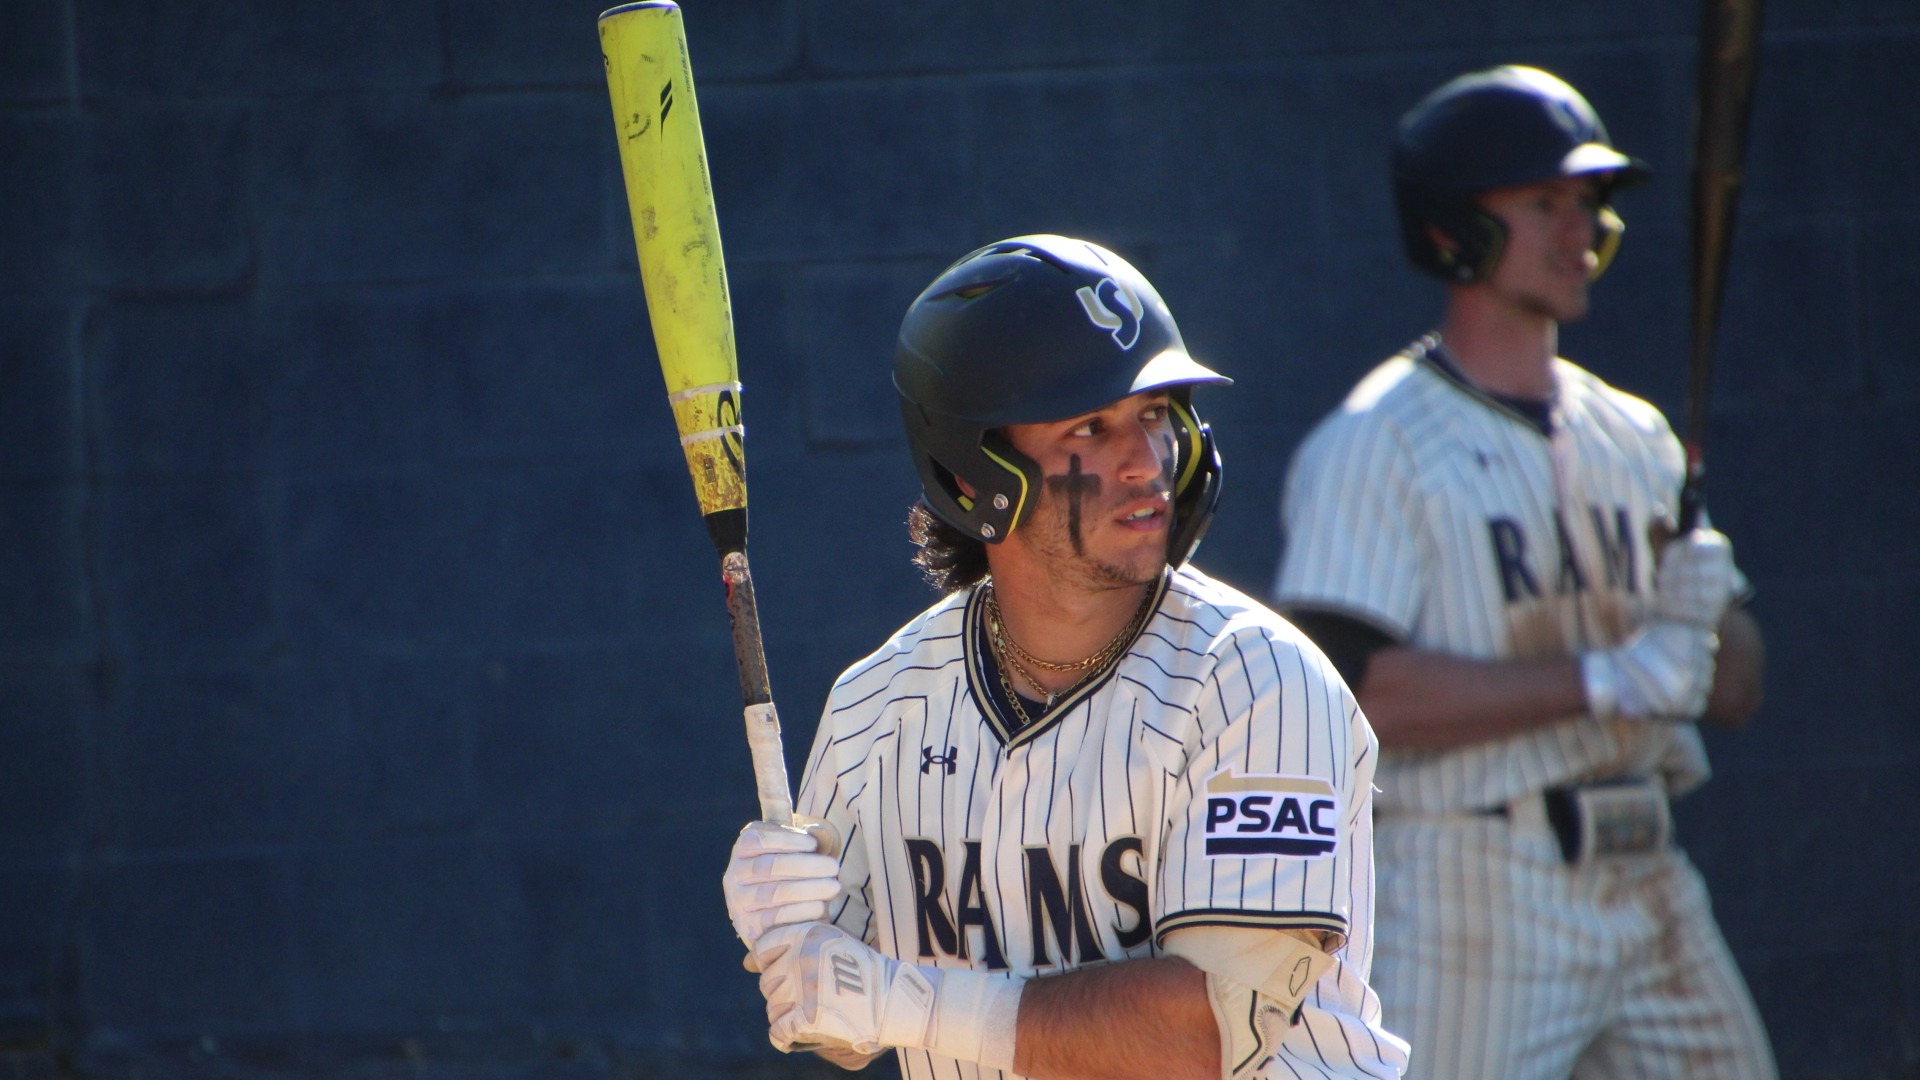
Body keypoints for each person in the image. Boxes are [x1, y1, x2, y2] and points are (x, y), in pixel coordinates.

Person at [721, 235, 1410, 1080]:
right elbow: (837, 1023)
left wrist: (904, 999)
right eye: (1093, 425)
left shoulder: (1258, 682)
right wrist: (789, 931)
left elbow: (1201, 1036)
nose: (1147, 461)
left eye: (1155, 415)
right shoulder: (879, 704)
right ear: (975, 475)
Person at [1270, 66, 1776, 1079]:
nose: (1577, 227)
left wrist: (1704, 605)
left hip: (1647, 869)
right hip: (1472, 882)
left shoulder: (1635, 434)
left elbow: (1737, 691)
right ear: (1459, 227)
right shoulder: (1378, 441)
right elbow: (1341, 698)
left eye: (1588, 203)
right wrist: (1604, 675)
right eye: (1544, 202)